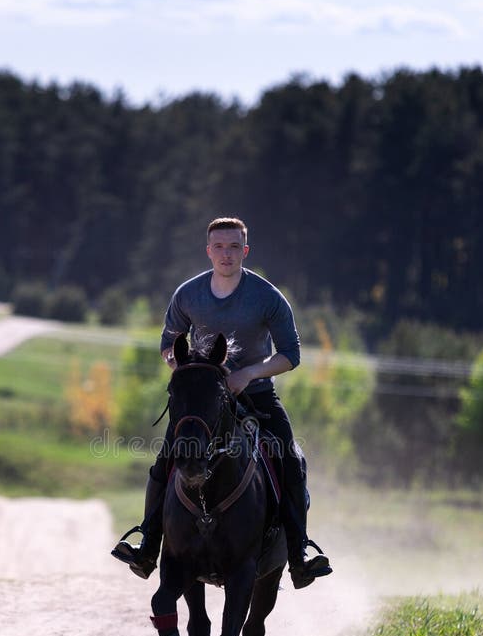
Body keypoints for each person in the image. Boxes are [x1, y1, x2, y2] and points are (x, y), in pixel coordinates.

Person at [111, 216, 332, 590]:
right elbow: (169, 345)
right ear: (208, 251)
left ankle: (299, 555)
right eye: (219, 247)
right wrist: (186, 370)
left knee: (291, 459)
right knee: (166, 459)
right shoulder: (188, 294)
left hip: (258, 396)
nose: (226, 254)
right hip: (202, 401)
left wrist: (247, 375)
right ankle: (147, 544)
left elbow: (291, 354)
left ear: (245, 251)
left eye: (234, 247)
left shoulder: (267, 297)